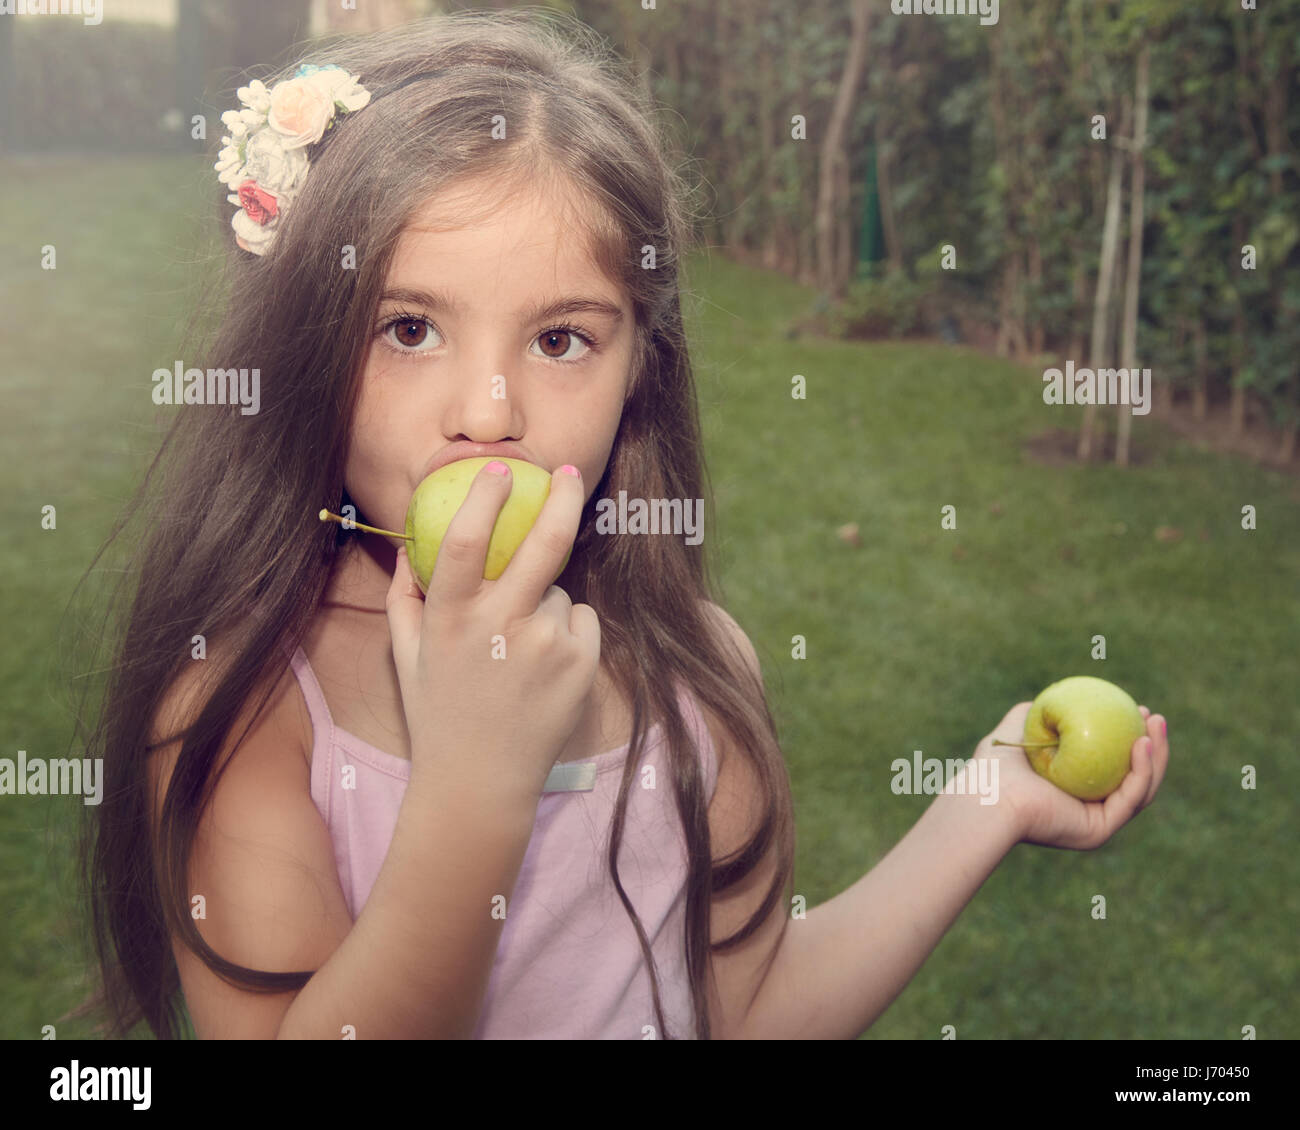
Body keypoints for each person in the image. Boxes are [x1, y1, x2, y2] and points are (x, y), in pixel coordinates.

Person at [71, 8, 1168, 1041]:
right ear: (306, 344)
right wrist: (472, 791)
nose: (489, 412)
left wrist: (985, 801)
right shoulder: (247, 711)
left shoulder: (695, 666)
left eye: (559, 341)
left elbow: (748, 1011)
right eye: (409, 327)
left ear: (639, 365)